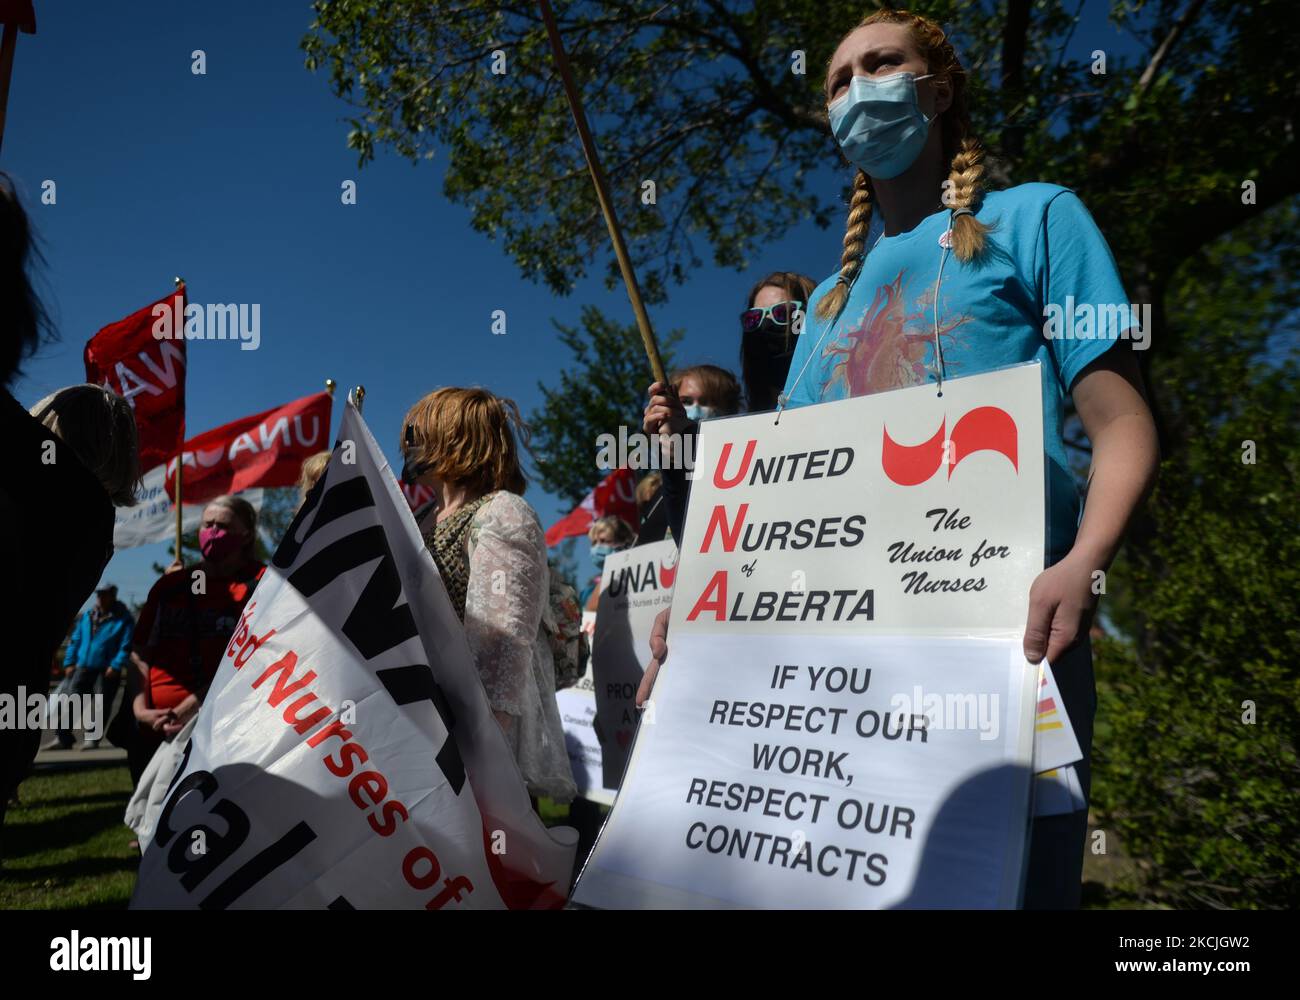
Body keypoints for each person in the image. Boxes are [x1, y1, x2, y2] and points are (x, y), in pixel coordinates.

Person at [638, 9, 1159, 910]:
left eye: (882, 64)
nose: (856, 89)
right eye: (839, 78)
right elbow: (777, 487)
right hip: (838, 659)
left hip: (1009, 641)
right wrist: (695, 606)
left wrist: (1083, 562)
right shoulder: (831, 301)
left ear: (941, 85)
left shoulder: (1039, 218)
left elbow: (1121, 422)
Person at [401, 386, 576, 805]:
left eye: (415, 431)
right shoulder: (421, 517)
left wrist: (477, 752)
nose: (405, 443)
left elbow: (503, 642)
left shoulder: (503, 512)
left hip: (466, 747)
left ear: (454, 434)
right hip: (418, 725)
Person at [127, 495, 265, 787]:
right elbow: (140, 654)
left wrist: (187, 708)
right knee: (148, 822)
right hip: (156, 728)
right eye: (207, 524)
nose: (212, 532)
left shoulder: (262, 585)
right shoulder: (171, 586)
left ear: (246, 535)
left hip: (223, 729)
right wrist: (141, 711)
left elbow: (254, 662)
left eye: (223, 526)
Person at [48, 584, 134, 750]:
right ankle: (63, 737)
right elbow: (75, 640)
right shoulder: (88, 616)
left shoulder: (123, 618)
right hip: (82, 666)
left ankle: (92, 738)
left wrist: (116, 665)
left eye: (104, 594)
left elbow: (126, 645)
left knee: (102, 704)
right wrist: (69, 662)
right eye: (99, 594)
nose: (100, 598)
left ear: (112, 596)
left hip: (107, 669)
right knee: (72, 701)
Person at [580, 514, 636, 611]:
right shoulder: (587, 591)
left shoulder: (636, 578)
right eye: (594, 542)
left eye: (603, 541)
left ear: (623, 543)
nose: (597, 547)